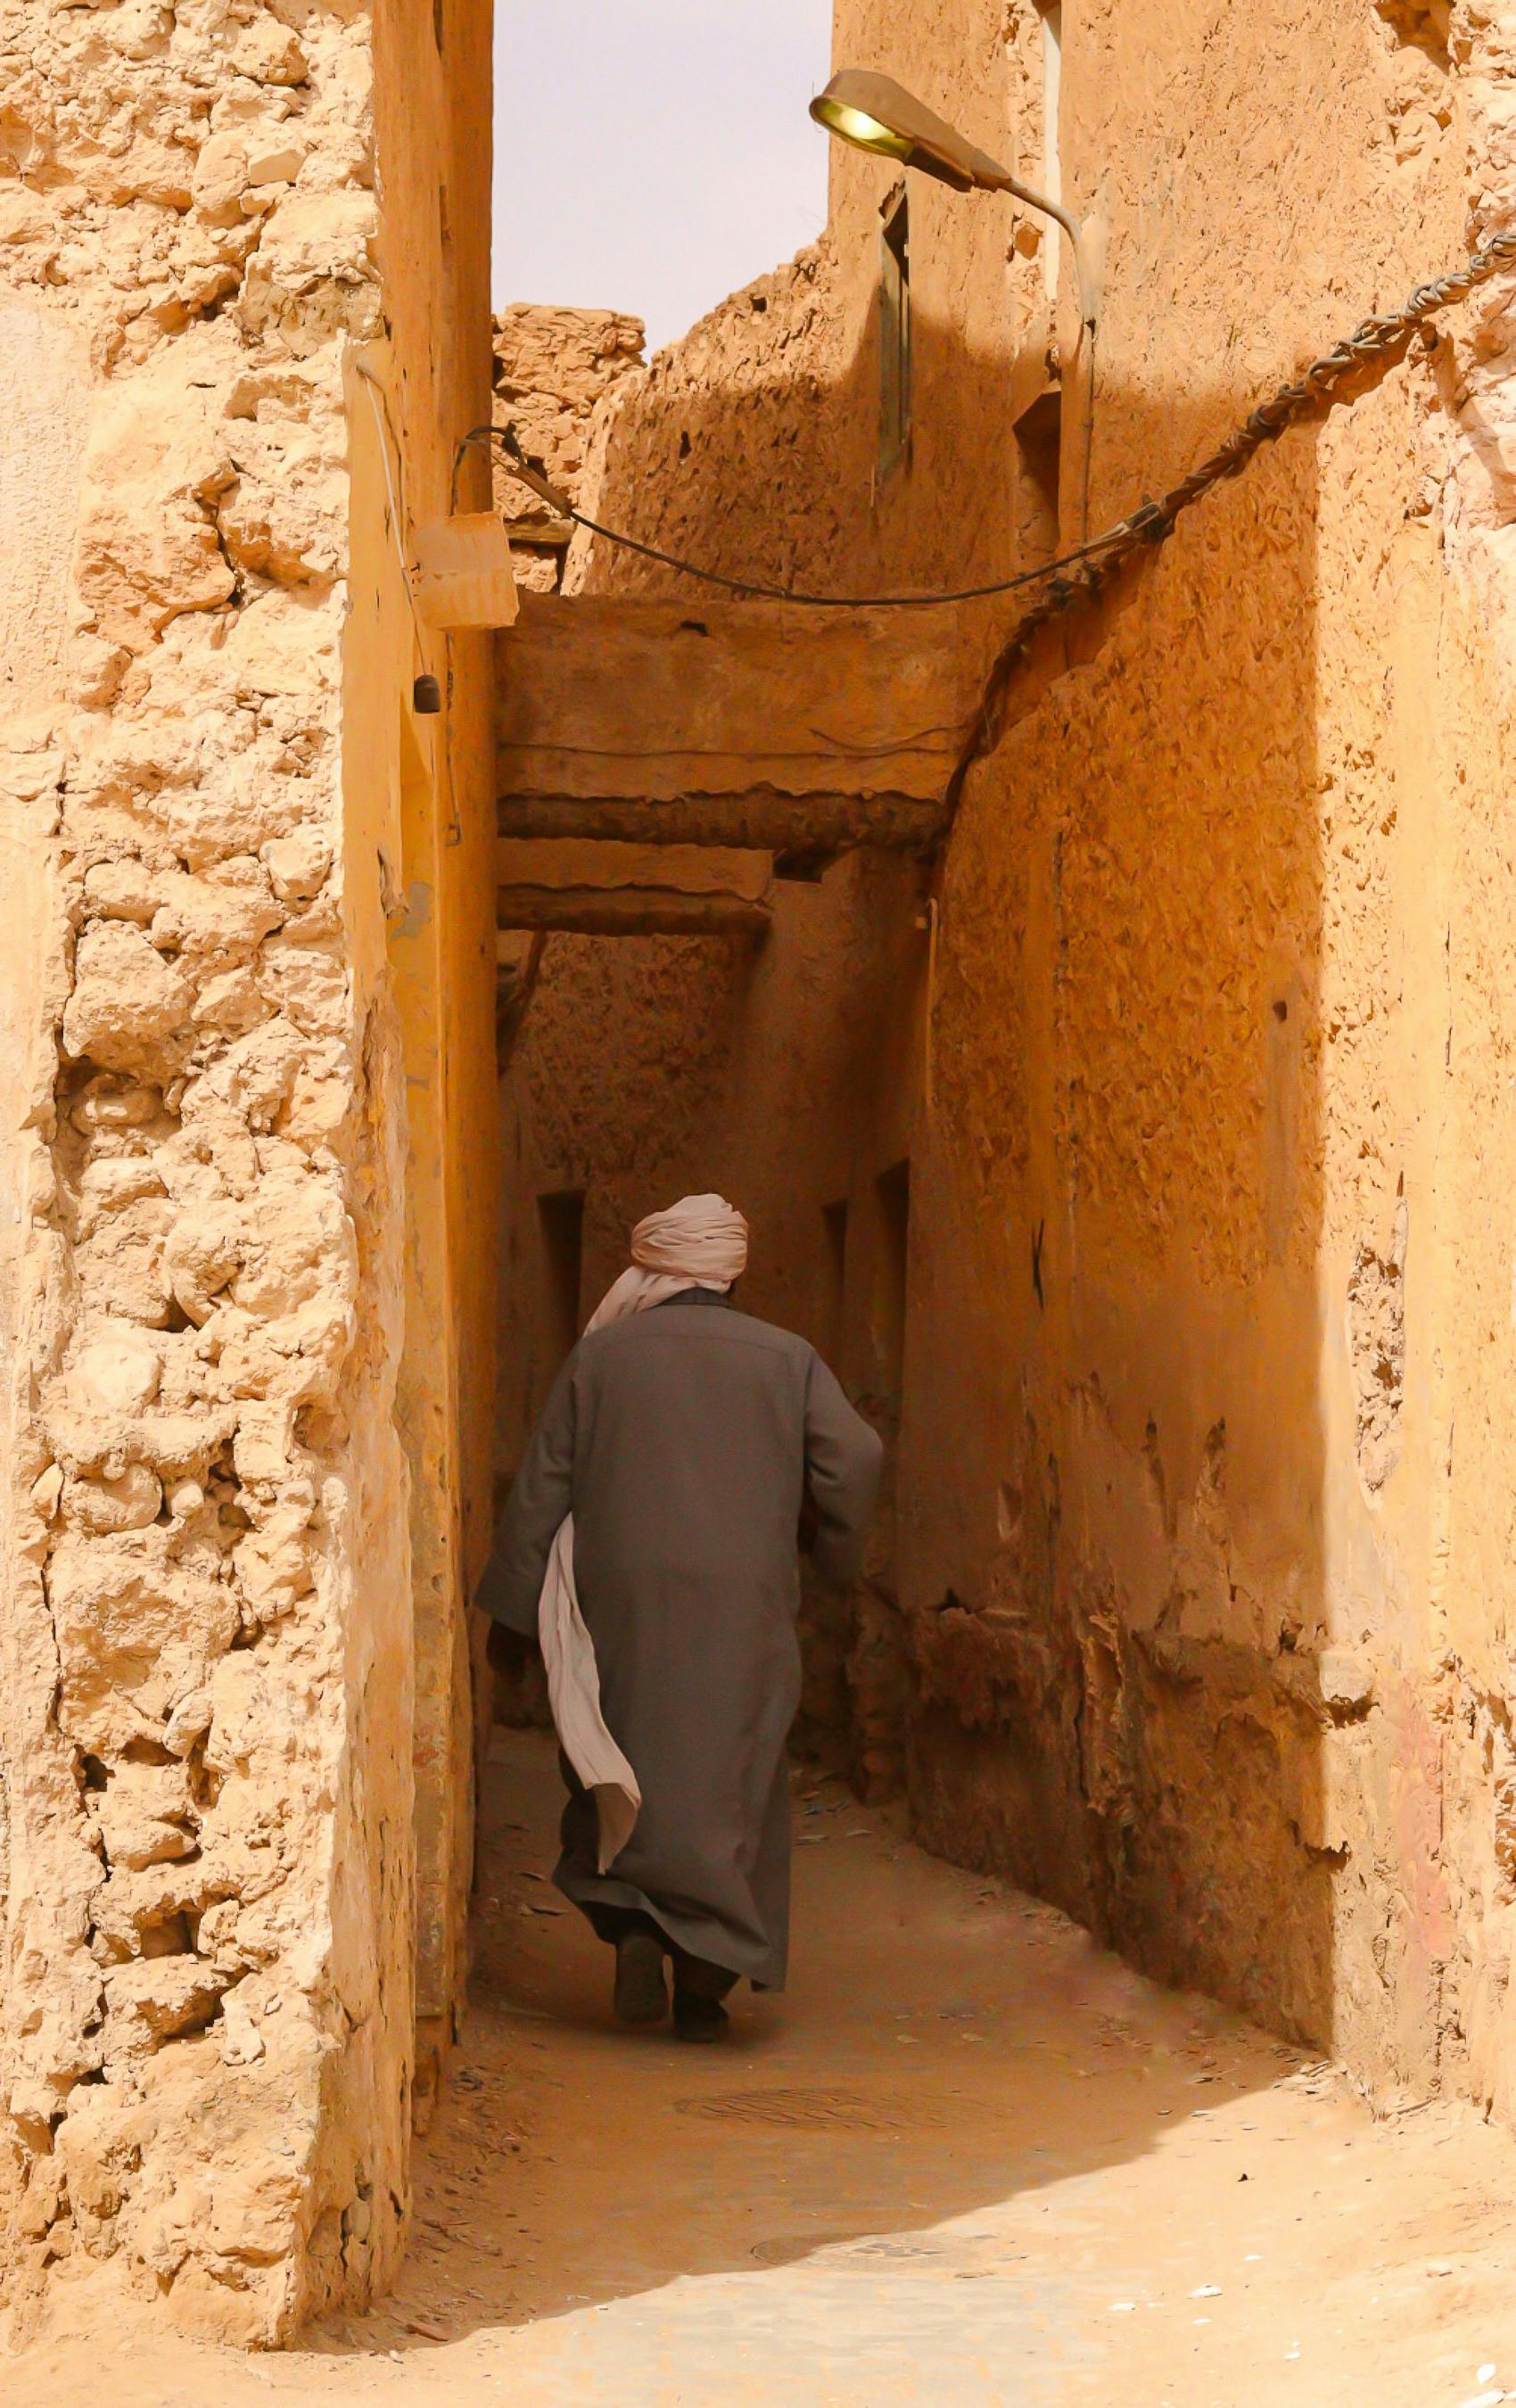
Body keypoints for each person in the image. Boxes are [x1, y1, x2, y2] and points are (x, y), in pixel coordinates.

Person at [476, 1193, 883, 2041]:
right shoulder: (789, 1358)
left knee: (625, 1750)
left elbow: (544, 1486)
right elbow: (856, 1457)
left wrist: (514, 1620)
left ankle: (633, 1919)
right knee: (734, 1773)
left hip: (619, 1596)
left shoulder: (601, 1359)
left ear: (653, 1266)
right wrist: (834, 1560)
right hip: (746, 1600)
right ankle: (704, 1983)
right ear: (731, 1271)